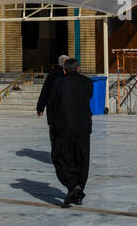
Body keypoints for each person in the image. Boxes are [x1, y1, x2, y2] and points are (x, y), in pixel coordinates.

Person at [37, 57, 94, 207]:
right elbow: (88, 97)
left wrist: (52, 122)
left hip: (64, 128)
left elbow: (53, 104)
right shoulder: (87, 82)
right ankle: (79, 188)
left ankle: (72, 186)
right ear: (78, 68)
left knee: (60, 157)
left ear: (64, 70)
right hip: (83, 127)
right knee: (82, 159)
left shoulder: (58, 84)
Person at [36, 55, 69, 122]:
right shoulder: (72, 75)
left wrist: (40, 107)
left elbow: (45, 91)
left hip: (54, 108)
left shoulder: (52, 74)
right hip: (65, 108)